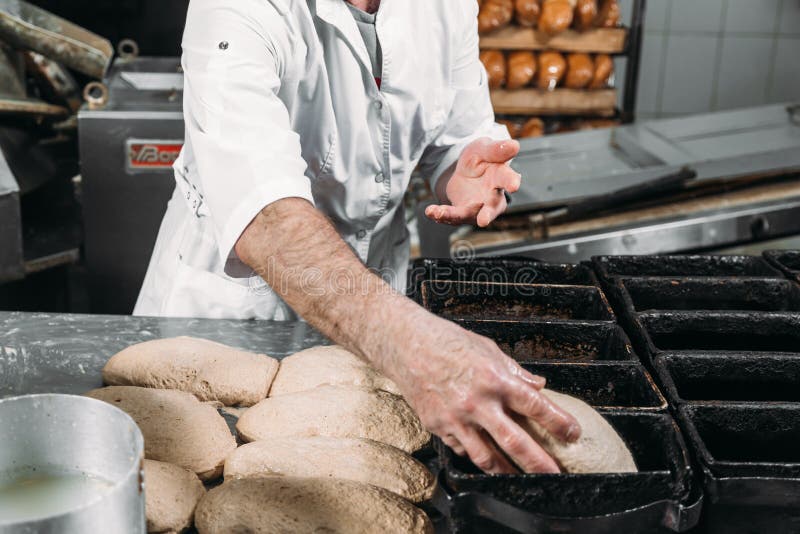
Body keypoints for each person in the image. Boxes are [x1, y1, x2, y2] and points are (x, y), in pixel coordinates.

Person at [135, 0, 580, 474]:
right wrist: (417, 350)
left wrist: (462, 168)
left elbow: (455, 130)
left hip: (375, 313)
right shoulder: (237, 7)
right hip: (236, 315)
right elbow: (264, 218)